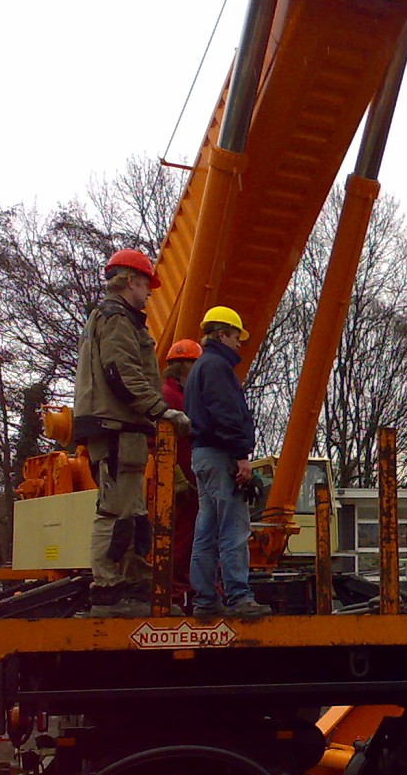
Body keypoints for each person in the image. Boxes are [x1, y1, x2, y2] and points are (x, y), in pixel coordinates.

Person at [73, 249, 192, 617]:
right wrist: (161, 412)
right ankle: (109, 590)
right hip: (116, 429)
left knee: (133, 513)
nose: (149, 293)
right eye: (145, 284)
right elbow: (122, 373)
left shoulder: (117, 320)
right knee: (116, 513)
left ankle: (133, 587)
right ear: (128, 281)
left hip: (122, 429)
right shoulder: (116, 319)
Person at [184, 305, 271, 618]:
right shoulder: (219, 368)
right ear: (222, 334)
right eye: (236, 337)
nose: (239, 344)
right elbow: (226, 414)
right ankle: (238, 597)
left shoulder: (199, 368)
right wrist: (240, 456)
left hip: (202, 455)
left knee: (205, 532)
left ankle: (205, 600)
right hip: (221, 456)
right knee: (234, 528)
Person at [162, 339, 203, 609]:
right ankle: (173, 592)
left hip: (191, 477)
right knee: (180, 537)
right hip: (180, 479)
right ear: (183, 365)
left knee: (192, 537)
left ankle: (184, 588)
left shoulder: (181, 395)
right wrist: (176, 476)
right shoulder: (168, 397)